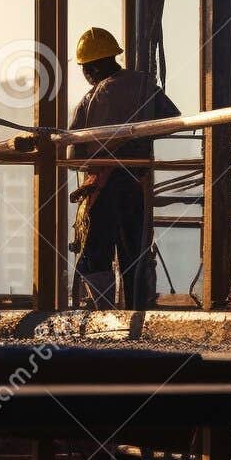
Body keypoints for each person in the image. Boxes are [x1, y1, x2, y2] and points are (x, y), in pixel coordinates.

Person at [68, 27, 180, 309]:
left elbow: (72, 154)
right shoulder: (143, 85)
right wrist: (136, 139)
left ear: (91, 67)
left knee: (96, 250)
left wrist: (103, 149)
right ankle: (137, 312)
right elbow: (172, 118)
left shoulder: (90, 99)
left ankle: (103, 315)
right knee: (134, 250)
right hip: (134, 180)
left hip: (102, 185)